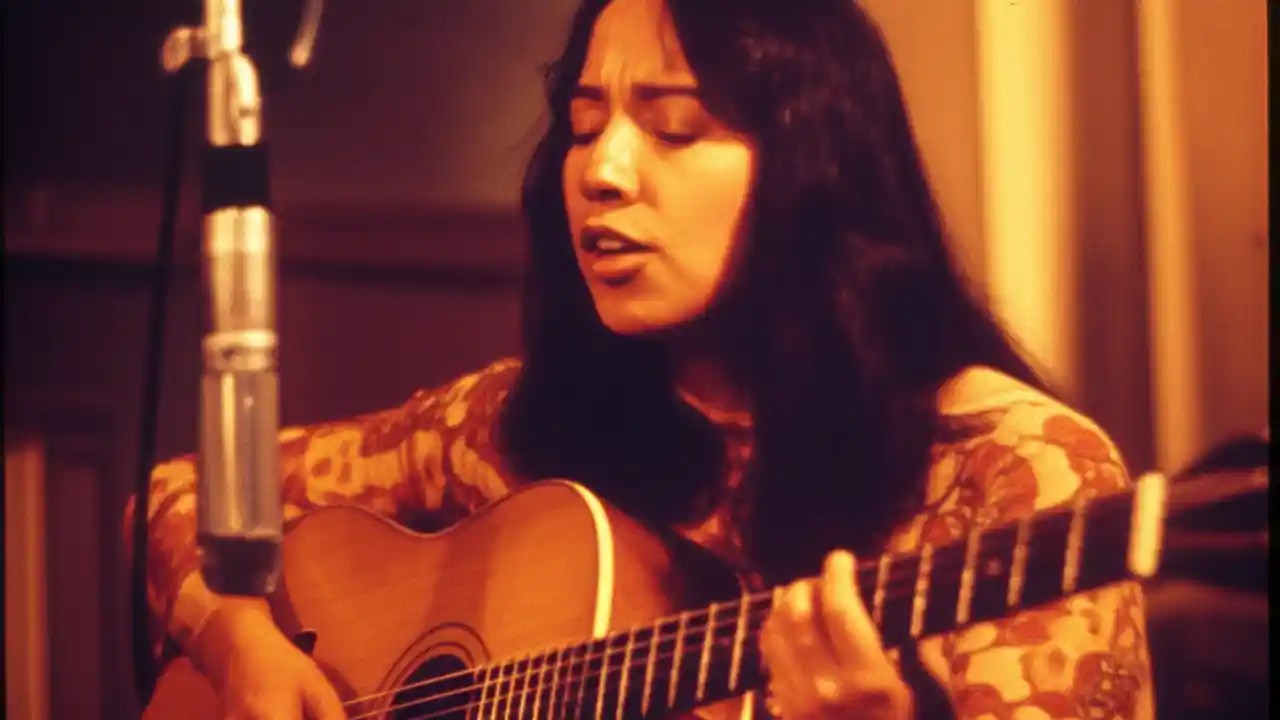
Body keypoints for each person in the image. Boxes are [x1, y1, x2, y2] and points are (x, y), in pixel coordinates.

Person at [126, 0, 1153, 718]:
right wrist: (247, 649)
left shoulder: (1018, 475)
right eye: (583, 127)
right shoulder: (511, 421)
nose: (602, 172)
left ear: (814, 168)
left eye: (672, 127)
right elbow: (183, 492)